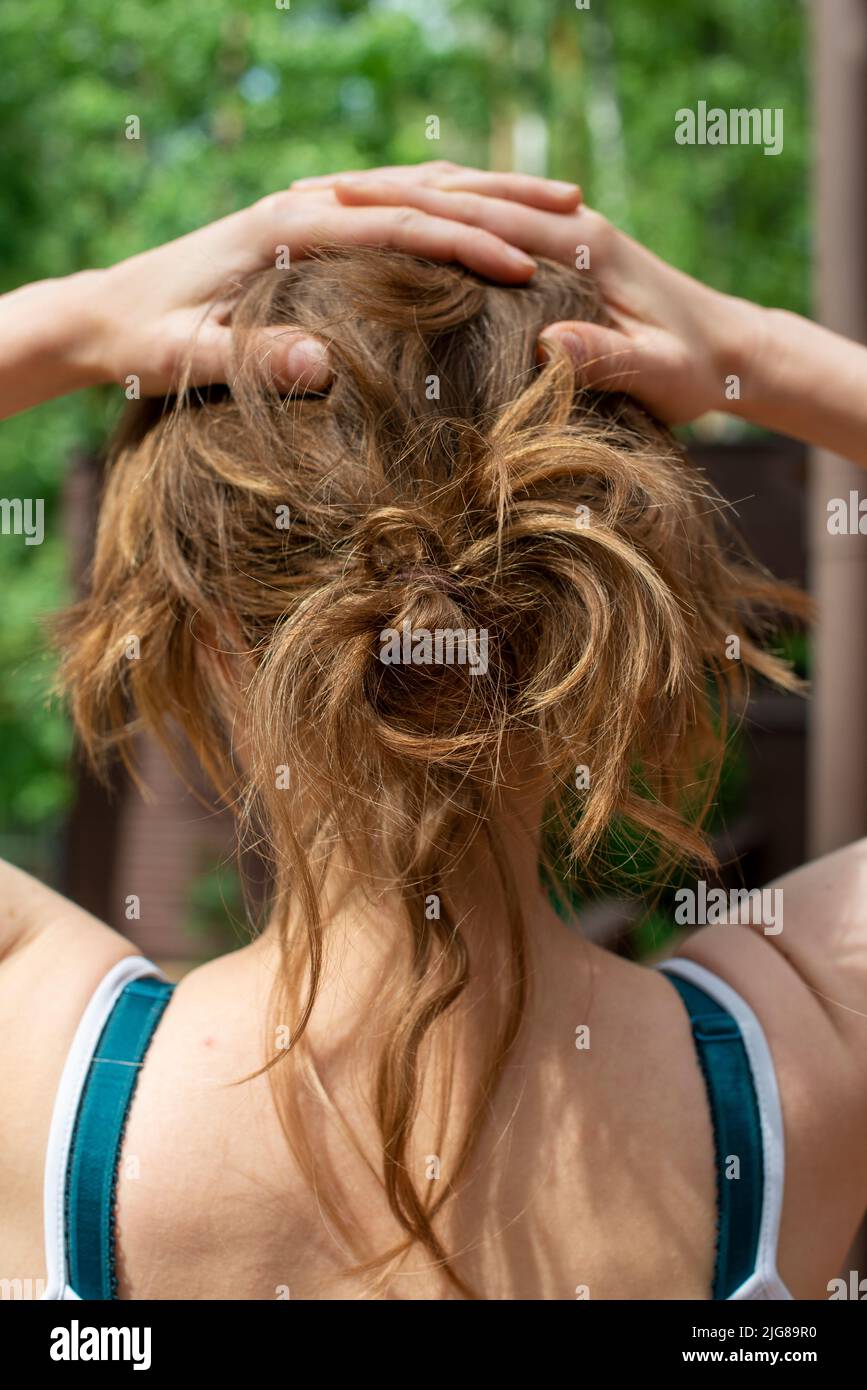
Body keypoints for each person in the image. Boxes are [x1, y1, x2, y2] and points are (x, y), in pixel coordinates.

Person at [1, 161, 866, 1302]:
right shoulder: (793, 1062)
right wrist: (757, 346)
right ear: (593, 630)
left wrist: (78, 316)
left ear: (208, 631)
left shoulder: (48, 1082)